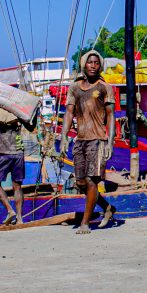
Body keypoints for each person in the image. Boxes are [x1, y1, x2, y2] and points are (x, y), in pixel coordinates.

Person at [59, 50, 117, 234]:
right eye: (90, 62)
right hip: (80, 140)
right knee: (81, 183)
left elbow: (111, 115)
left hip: (98, 140)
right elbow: (69, 112)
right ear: (84, 65)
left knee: (92, 181)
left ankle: (85, 222)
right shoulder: (75, 88)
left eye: (96, 63)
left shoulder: (104, 87)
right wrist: (63, 137)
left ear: (100, 66)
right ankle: (107, 207)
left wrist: (110, 142)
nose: (93, 65)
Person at [0, 100, 38, 225]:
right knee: (17, 186)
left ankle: (10, 210)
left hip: (3, 153)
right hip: (18, 153)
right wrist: (36, 112)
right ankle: (19, 218)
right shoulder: (18, 111)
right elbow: (31, 127)